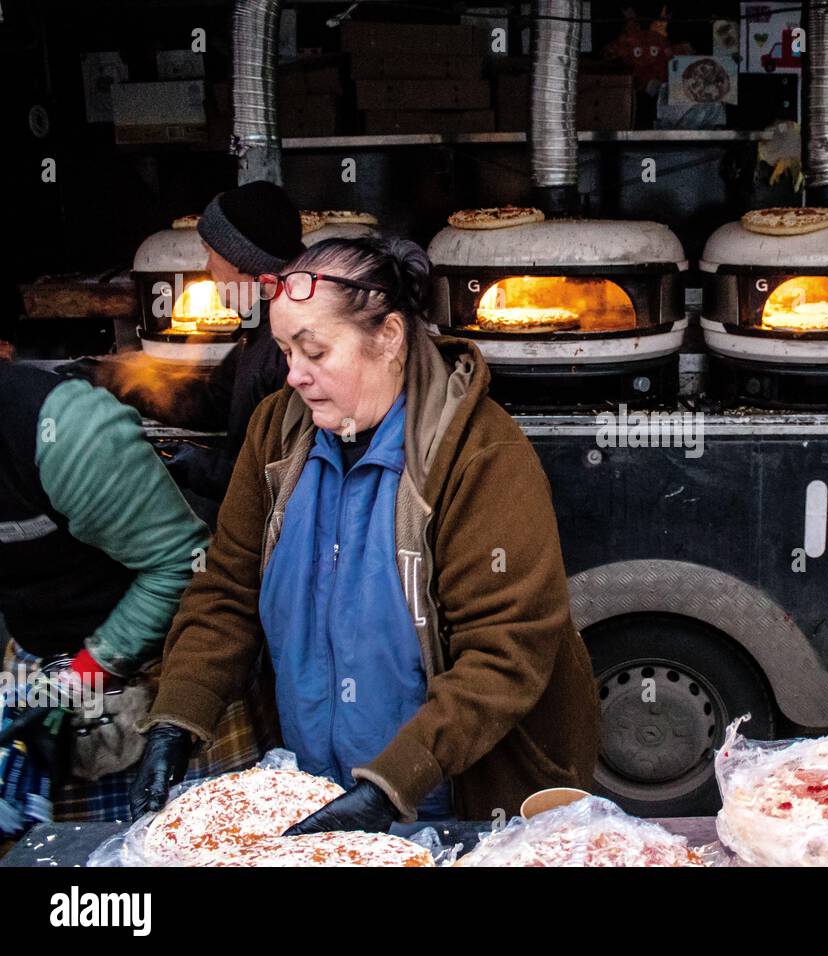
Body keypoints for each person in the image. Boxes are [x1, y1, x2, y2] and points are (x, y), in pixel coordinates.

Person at [131, 236, 601, 830]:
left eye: (315, 352)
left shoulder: (480, 456)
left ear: (389, 338)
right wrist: (179, 714)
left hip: (456, 800)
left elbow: (505, 652)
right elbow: (227, 590)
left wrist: (391, 785)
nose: (294, 376)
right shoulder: (277, 434)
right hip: (314, 791)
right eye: (283, 351)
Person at [0, 361, 267, 829]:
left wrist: (79, 678)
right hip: (38, 657)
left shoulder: (64, 431)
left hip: (167, 669)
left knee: (197, 848)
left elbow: (181, 563)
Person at [164, 181, 303, 509]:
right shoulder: (258, 323)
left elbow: (279, 482)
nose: (206, 267)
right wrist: (122, 384)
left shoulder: (287, 347)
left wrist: (191, 464)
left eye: (210, 252)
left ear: (240, 259)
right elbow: (214, 403)